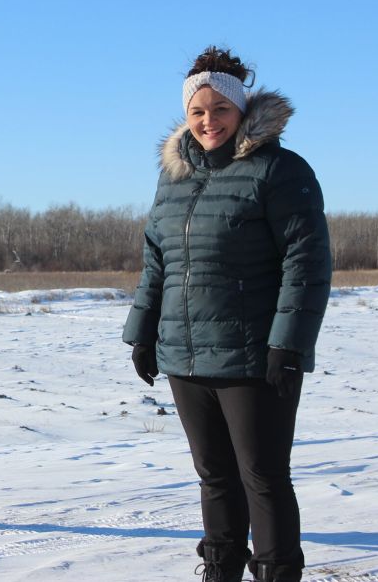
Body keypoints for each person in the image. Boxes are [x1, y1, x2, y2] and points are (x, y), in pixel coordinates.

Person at [122, 47, 331, 582]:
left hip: (253, 357)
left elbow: (306, 263)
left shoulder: (279, 170)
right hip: (185, 355)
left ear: (241, 110)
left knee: (261, 475)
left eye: (220, 109)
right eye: (197, 111)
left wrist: (288, 344)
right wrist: (143, 332)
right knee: (214, 476)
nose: (208, 121)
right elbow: (157, 260)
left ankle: (277, 572)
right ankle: (220, 570)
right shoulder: (173, 177)